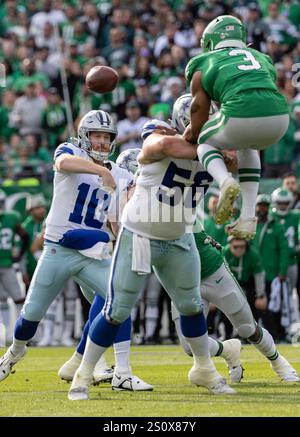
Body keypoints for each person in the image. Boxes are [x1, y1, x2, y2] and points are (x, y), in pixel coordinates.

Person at [68, 118, 235, 400]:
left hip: (179, 236)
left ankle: (204, 369)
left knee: (192, 306)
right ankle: (82, 375)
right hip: (141, 234)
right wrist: (212, 149)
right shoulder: (161, 142)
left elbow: (242, 159)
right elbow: (163, 144)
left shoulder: (213, 151)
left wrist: (225, 152)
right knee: (116, 310)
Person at [0, 110, 151, 391]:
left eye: (107, 137)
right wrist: (101, 170)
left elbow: (116, 221)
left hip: (92, 253)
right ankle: (15, 351)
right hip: (59, 248)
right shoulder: (71, 151)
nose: (103, 142)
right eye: (97, 136)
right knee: (30, 315)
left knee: (120, 299)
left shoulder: (120, 173)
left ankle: (123, 371)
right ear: (84, 136)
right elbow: (62, 163)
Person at [183, 15, 289, 240]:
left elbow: (198, 107)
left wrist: (193, 132)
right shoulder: (263, 57)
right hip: (280, 117)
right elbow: (263, 87)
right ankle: (248, 218)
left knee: (204, 140)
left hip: (240, 113)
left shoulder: (202, 62)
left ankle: (225, 182)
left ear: (209, 42)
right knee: (248, 145)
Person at [253, 194, 290, 342]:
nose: (262, 208)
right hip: (253, 273)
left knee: (274, 308)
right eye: (260, 205)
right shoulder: (250, 224)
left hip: (271, 273)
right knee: (251, 306)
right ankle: (252, 336)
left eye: (264, 206)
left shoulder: (276, 225)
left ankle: (278, 335)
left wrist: (282, 271)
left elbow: (284, 250)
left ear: (268, 208)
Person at [0, 190, 29, 339]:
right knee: (3, 299)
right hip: (6, 263)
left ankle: (18, 333)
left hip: (6, 264)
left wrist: (17, 257)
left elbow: (25, 237)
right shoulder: (11, 217)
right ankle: (6, 335)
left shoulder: (11, 218)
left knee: (18, 298)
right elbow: (25, 237)